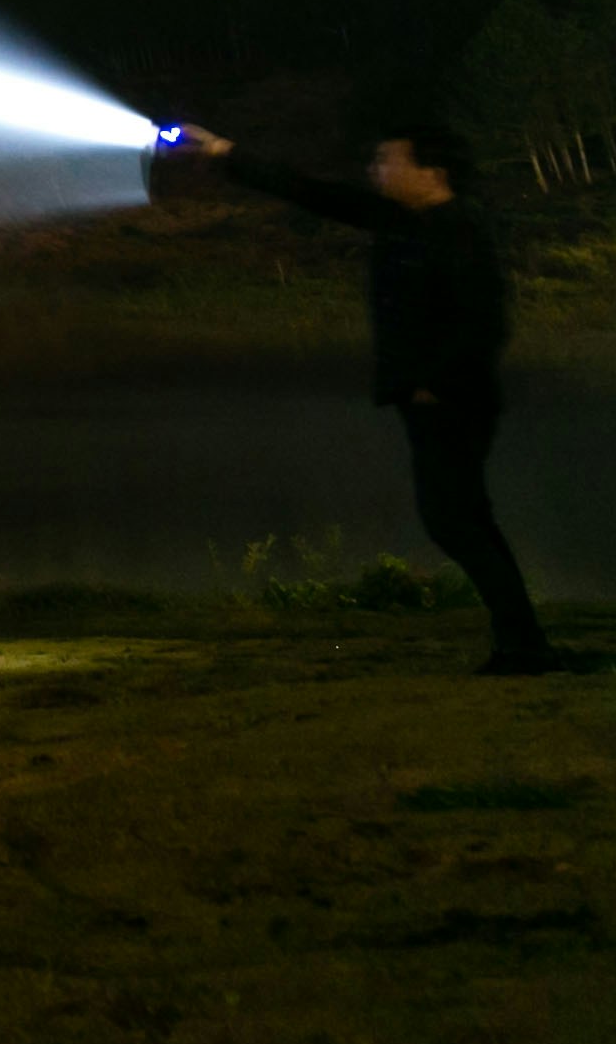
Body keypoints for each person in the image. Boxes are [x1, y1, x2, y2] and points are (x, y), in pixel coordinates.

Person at [173, 118, 555, 674]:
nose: (376, 169)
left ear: (432, 173)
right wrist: (224, 152)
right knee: (460, 519)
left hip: (454, 402)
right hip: (432, 399)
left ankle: (524, 645)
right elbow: (312, 192)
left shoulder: (460, 229)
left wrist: (435, 385)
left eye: (388, 160)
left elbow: (485, 322)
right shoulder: (400, 219)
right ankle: (521, 641)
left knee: (456, 520)